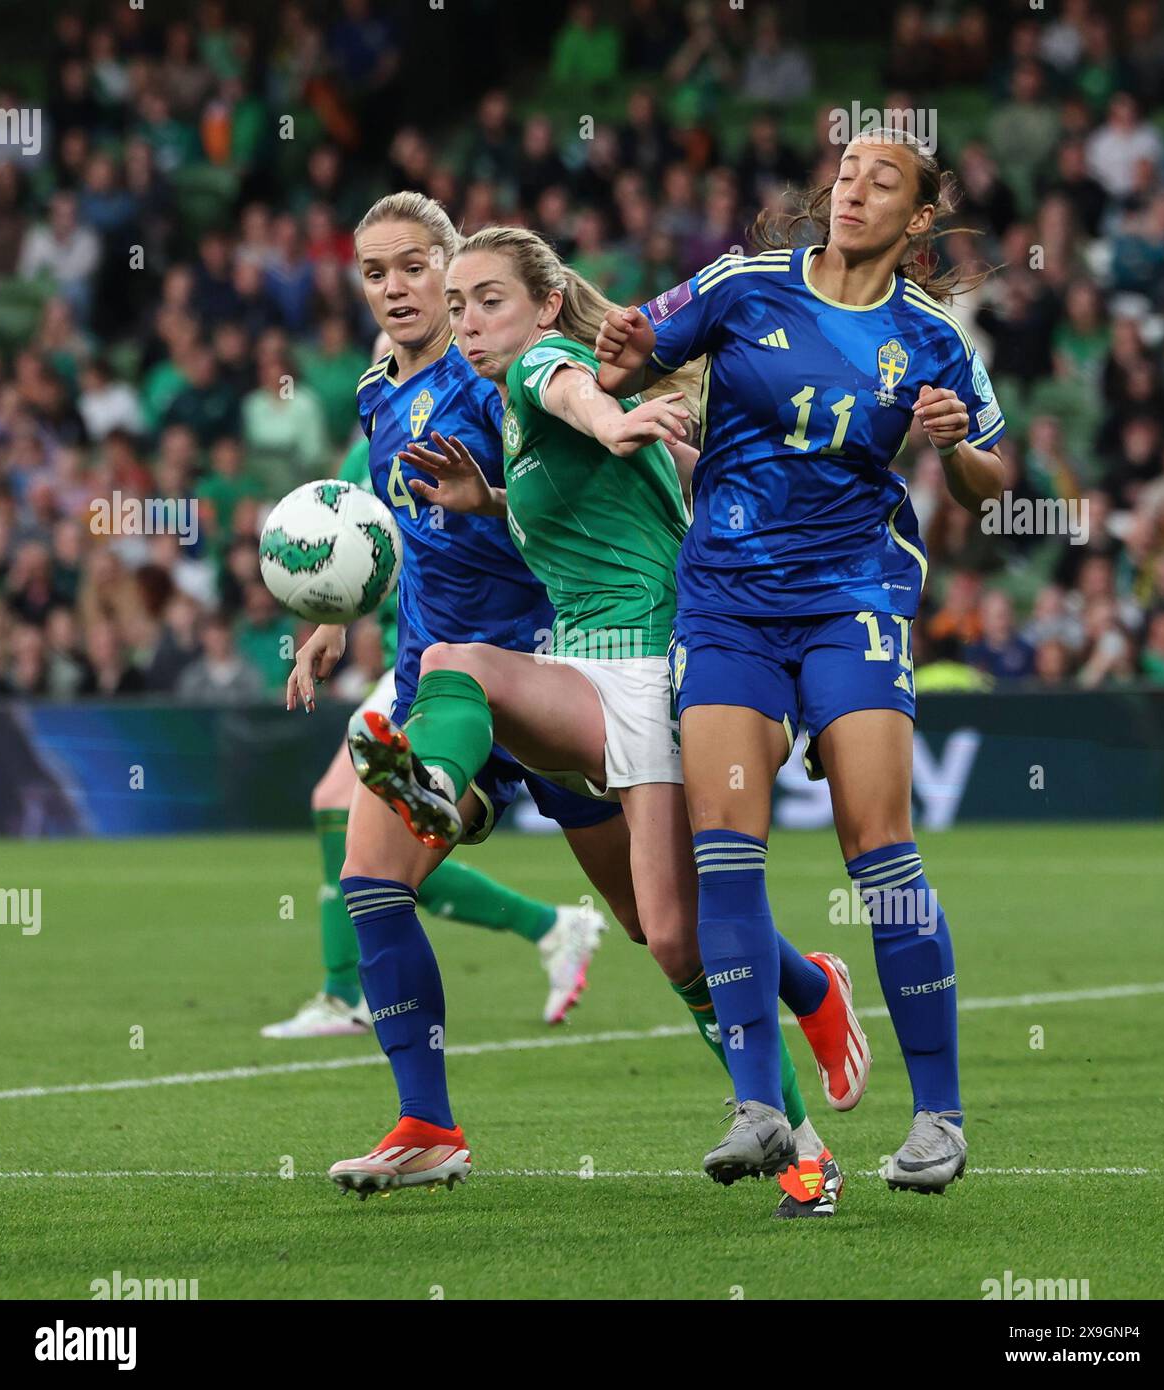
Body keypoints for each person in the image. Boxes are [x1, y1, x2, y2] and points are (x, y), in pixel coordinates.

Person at [328, 225, 855, 1218]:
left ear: (540, 304)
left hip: (652, 676)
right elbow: (632, 490)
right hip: (575, 668)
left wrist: (609, 419)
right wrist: (488, 501)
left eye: (485, 299)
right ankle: (440, 785)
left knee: (672, 940)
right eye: (460, 304)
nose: (466, 319)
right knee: (456, 666)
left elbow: (570, 388)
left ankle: (806, 1141)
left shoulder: (542, 368)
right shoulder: (504, 418)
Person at [595, 129, 1007, 1194]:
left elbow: (987, 484)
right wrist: (623, 351)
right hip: (726, 601)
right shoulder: (741, 284)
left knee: (880, 848)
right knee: (724, 845)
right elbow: (639, 342)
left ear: (916, 220)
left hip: (851, 600)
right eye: (845, 174)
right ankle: (757, 1107)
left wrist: (953, 443)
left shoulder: (927, 336)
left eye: (882, 181)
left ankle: (938, 1119)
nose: (852, 190)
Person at [263, 335, 614, 1039]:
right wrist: (327, 626)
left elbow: (545, 506)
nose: (393, 357)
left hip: (510, 646)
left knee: (655, 918)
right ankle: (369, 993)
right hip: (420, 652)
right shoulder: (375, 418)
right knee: (368, 828)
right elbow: (351, 546)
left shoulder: (483, 402)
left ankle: (537, 920)